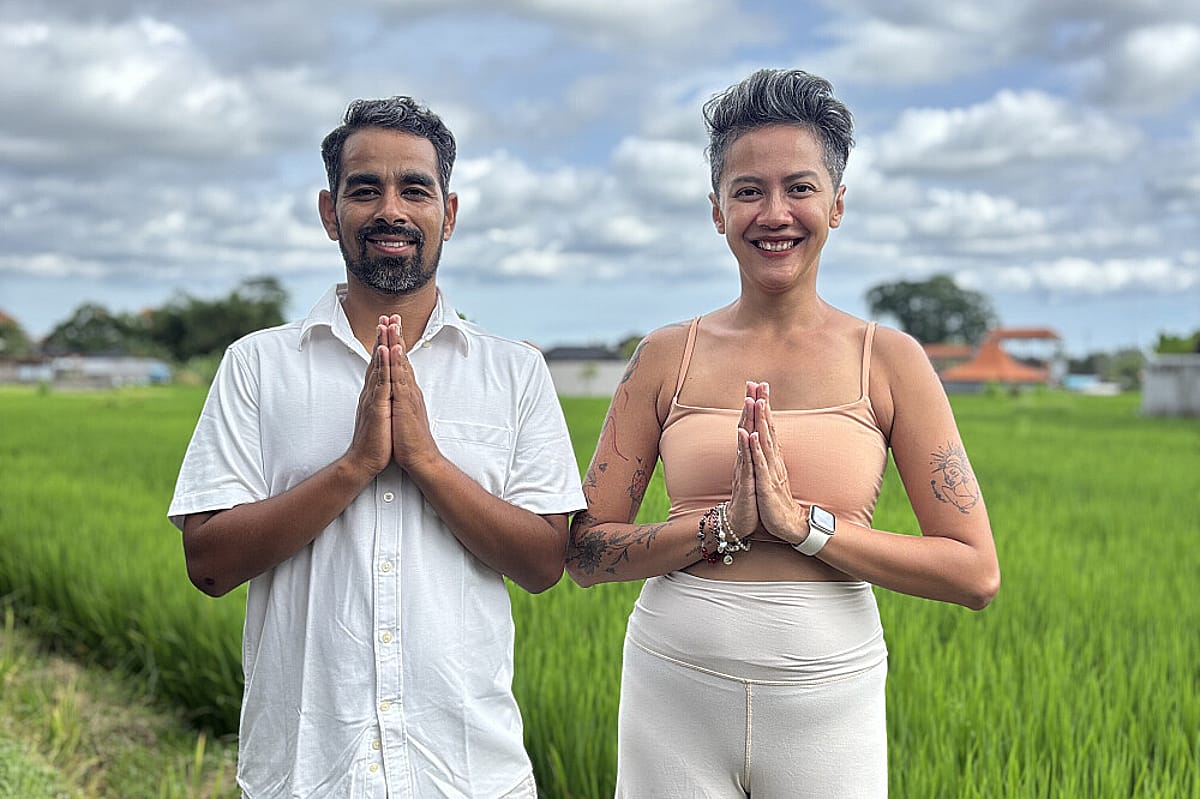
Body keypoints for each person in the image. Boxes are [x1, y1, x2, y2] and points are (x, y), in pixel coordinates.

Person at [566, 68, 1000, 798]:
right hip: (674, 680)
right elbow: (583, 550)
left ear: (837, 205)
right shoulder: (665, 356)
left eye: (799, 187)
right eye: (747, 190)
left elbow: (975, 572)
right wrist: (718, 527)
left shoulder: (889, 361)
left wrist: (805, 526)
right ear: (716, 210)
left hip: (828, 692)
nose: (775, 213)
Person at [168, 96, 585, 799]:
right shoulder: (258, 365)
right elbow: (208, 562)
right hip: (305, 773)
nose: (391, 209)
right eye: (365, 189)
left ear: (447, 213)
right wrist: (355, 464)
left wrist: (424, 460)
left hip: (469, 772)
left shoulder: (514, 371)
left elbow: (545, 561)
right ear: (331, 211)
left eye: (414, 188)